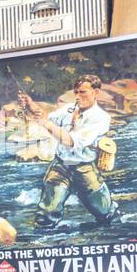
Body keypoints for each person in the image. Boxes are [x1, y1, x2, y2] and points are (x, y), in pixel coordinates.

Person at [17, 74, 118, 229]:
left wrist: (46, 124)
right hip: (61, 166)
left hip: (84, 168)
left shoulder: (101, 118)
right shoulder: (69, 109)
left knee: (105, 212)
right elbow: (45, 117)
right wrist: (30, 105)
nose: (77, 96)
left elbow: (71, 141)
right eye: (76, 92)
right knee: (46, 214)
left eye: (82, 92)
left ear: (96, 92)